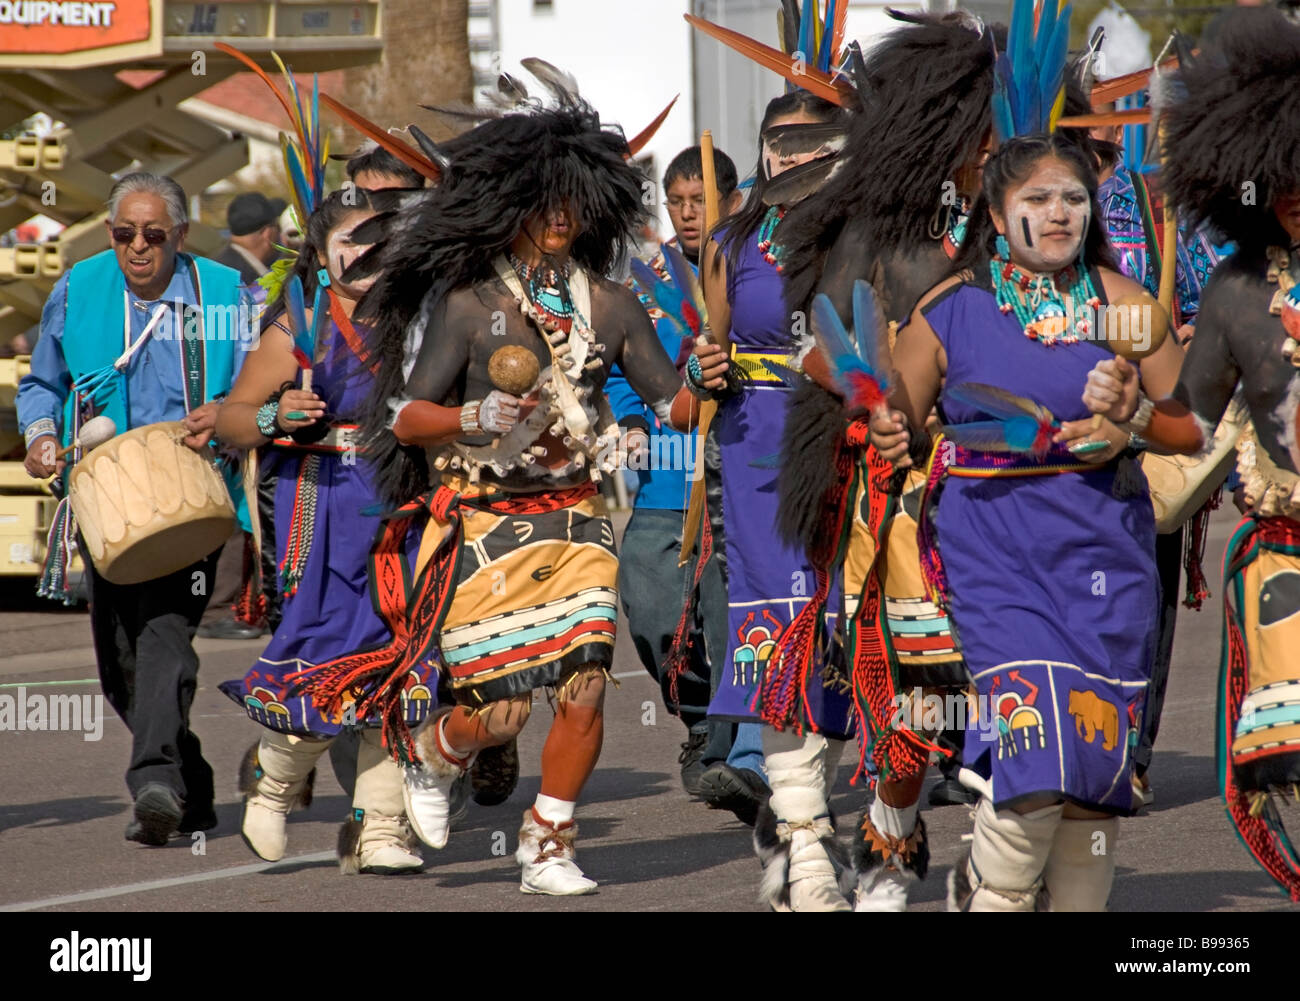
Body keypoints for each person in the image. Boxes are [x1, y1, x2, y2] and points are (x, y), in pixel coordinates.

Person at [288, 79, 708, 896]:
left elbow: (675, 406)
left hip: (579, 520)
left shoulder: (615, 305)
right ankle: (434, 748)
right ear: (511, 201)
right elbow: (407, 418)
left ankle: (547, 840)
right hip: (484, 524)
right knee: (501, 715)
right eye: (543, 198)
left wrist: (712, 374)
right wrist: (470, 414)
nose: (559, 215)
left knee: (586, 683)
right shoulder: (468, 303)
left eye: (572, 200)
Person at [870, 130, 1184, 910]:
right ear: (996, 209)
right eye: (1036, 200)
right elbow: (897, 417)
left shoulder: (1124, 306)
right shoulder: (951, 308)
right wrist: (889, 426)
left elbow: (1190, 427)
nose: (1057, 214)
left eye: (1072, 199)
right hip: (996, 559)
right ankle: (995, 894)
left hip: (1105, 561)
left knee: (1091, 777)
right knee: (1037, 752)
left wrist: (1137, 414)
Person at [1081, 7, 1300, 900]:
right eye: (1279, 173)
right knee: (1292, 747)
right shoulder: (1237, 292)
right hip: (1287, 558)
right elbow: (1189, 425)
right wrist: (1123, 423)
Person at [17, 172, 253, 845]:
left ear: (180, 234)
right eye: (125, 234)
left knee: (165, 635)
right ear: (110, 233)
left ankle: (152, 778)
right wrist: (39, 436)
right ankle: (192, 783)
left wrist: (231, 412)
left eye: (155, 234)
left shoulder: (224, 294)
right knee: (119, 662)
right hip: (106, 498)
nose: (139, 247)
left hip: (195, 497)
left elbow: (262, 379)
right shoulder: (79, 288)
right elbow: (42, 383)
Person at [216, 189, 433, 874]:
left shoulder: (422, 315)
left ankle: (380, 825)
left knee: (405, 661)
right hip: (327, 503)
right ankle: (275, 783)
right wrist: (278, 416)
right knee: (328, 655)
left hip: (407, 503)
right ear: (320, 251)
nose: (364, 253)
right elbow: (230, 421)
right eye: (349, 239)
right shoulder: (298, 324)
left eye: (378, 238)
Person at [689, 88, 858, 906]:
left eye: (812, 141)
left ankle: (888, 817)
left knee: (856, 627)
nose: (792, 156)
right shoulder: (733, 237)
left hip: (855, 444)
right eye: (778, 143)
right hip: (758, 448)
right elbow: (708, 350)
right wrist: (702, 368)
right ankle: (805, 835)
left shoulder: (872, 228)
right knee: (780, 623)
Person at [1090, 108, 1222, 808]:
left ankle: (1129, 751)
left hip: (1147, 434)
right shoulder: (1013, 214)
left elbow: (1210, 298)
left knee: (1144, 596)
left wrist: (1192, 334)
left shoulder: (1157, 204)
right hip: (1056, 433)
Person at [606, 144, 742, 796]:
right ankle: (696, 717)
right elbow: (618, 363)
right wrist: (631, 423)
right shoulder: (640, 278)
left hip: (740, 472)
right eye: (677, 202)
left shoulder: (758, 271)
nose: (688, 214)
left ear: (731, 201)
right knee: (651, 602)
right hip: (665, 470)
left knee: (728, 616)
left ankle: (725, 746)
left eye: (701, 200)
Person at [215, 192, 286, 285]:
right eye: (277, 227)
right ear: (267, 233)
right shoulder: (241, 281)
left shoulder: (218, 269)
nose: (280, 234)